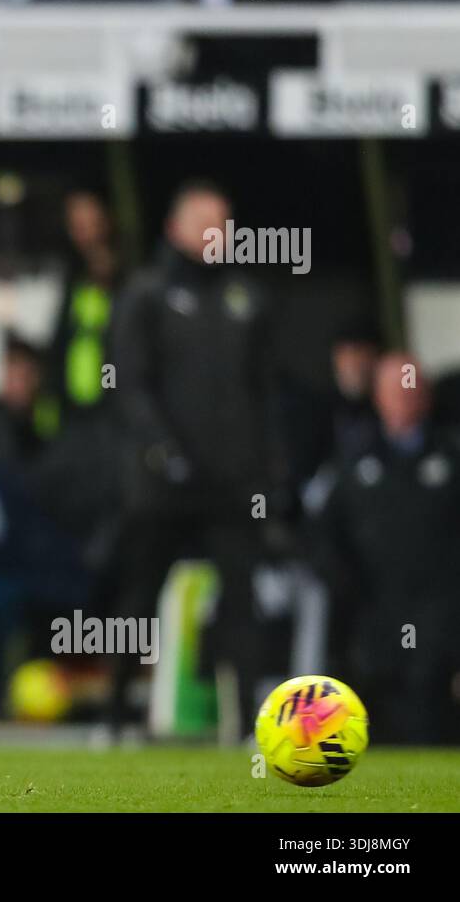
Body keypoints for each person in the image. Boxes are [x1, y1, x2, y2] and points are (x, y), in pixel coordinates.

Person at [108, 180, 288, 734]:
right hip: (163, 484)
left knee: (242, 600)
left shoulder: (247, 299)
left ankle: (249, 725)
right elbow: (128, 384)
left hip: (232, 486)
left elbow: (268, 396)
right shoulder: (146, 294)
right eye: (208, 223)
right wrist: (163, 450)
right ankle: (116, 716)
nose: (219, 234)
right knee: (138, 597)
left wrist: (273, 475)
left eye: (225, 224)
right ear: (176, 229)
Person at [307, 354, 460, 743]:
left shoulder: (451, 455)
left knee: (430, 692)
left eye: (412, 387)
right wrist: (344, 584)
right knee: (378, 693)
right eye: (396, 389)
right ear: (378, 397)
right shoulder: (354, 461)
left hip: (440, 605)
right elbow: (322, 533)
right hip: (374, 605)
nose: (406, 397)